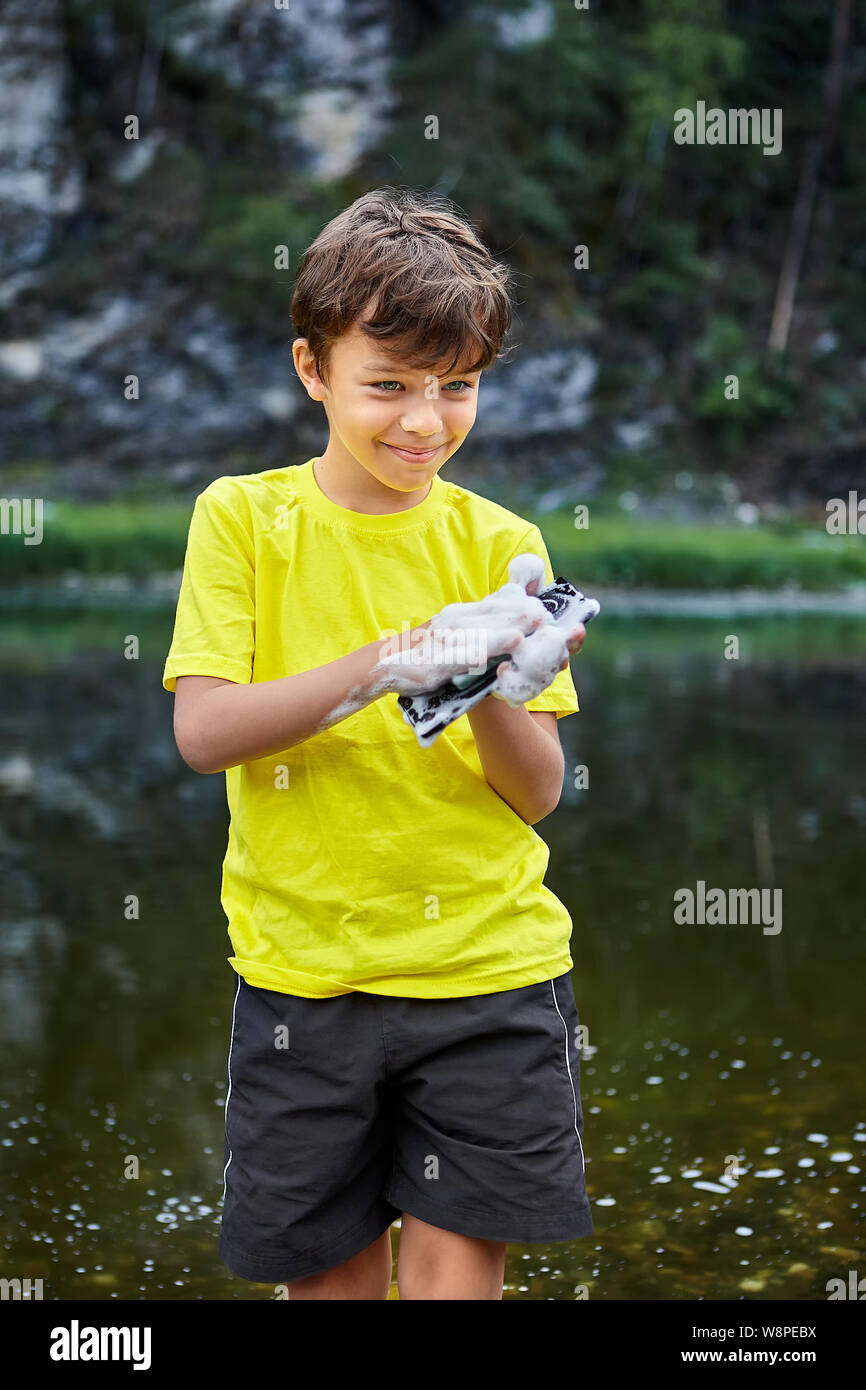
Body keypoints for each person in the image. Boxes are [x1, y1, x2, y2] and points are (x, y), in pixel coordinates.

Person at [162, 186, 593, 1300]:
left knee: (457, 1277)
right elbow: (204, 732)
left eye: (457, 387)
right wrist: (374, 671)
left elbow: (536, 794)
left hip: (487, 975)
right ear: (313, 369)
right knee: (332, 1281)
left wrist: (501, 680)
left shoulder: (502, 545)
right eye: (388, 385)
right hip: (305, 985)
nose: (424, 421)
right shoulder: (242, 519)